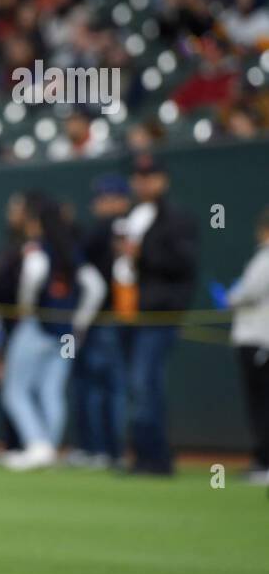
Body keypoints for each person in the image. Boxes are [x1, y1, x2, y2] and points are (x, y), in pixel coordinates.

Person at [1, 192, 106, 471]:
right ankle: (48, 446)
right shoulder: (70, 250)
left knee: (15, 391)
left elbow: (34, 273)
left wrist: (25, 307)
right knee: (51, 391)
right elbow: (96, 287)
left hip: (38, 326)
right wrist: (80, 323)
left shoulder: (40, 248)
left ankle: (38, 445)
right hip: (66, 334)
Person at [116, 152, 198, 475]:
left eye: (150, 176)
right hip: (130, 312)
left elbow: (183, 264)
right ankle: (143, 456)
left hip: (158, 314)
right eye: (139, 176)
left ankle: (156, 458)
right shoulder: (134, 215)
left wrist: (142, 253)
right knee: (138, 386)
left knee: (146, 384)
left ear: (163, 180)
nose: (144, 181)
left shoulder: (178, 218)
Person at [69, 173, 131, 467]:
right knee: (111, 387)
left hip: (101, 319)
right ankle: (111, 451)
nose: (98, 203)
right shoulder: (129, 228)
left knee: (98, 386)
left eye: (105, 197)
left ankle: (101, 450)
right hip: (117, 319)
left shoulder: (107, 228)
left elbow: (84, 269)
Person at [213, 207, 269, 483]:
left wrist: (229, 297)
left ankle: (265, 462)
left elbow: (248, 292)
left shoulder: (266, 258)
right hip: (258, 339)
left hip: (258, 339)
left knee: (261, 403)